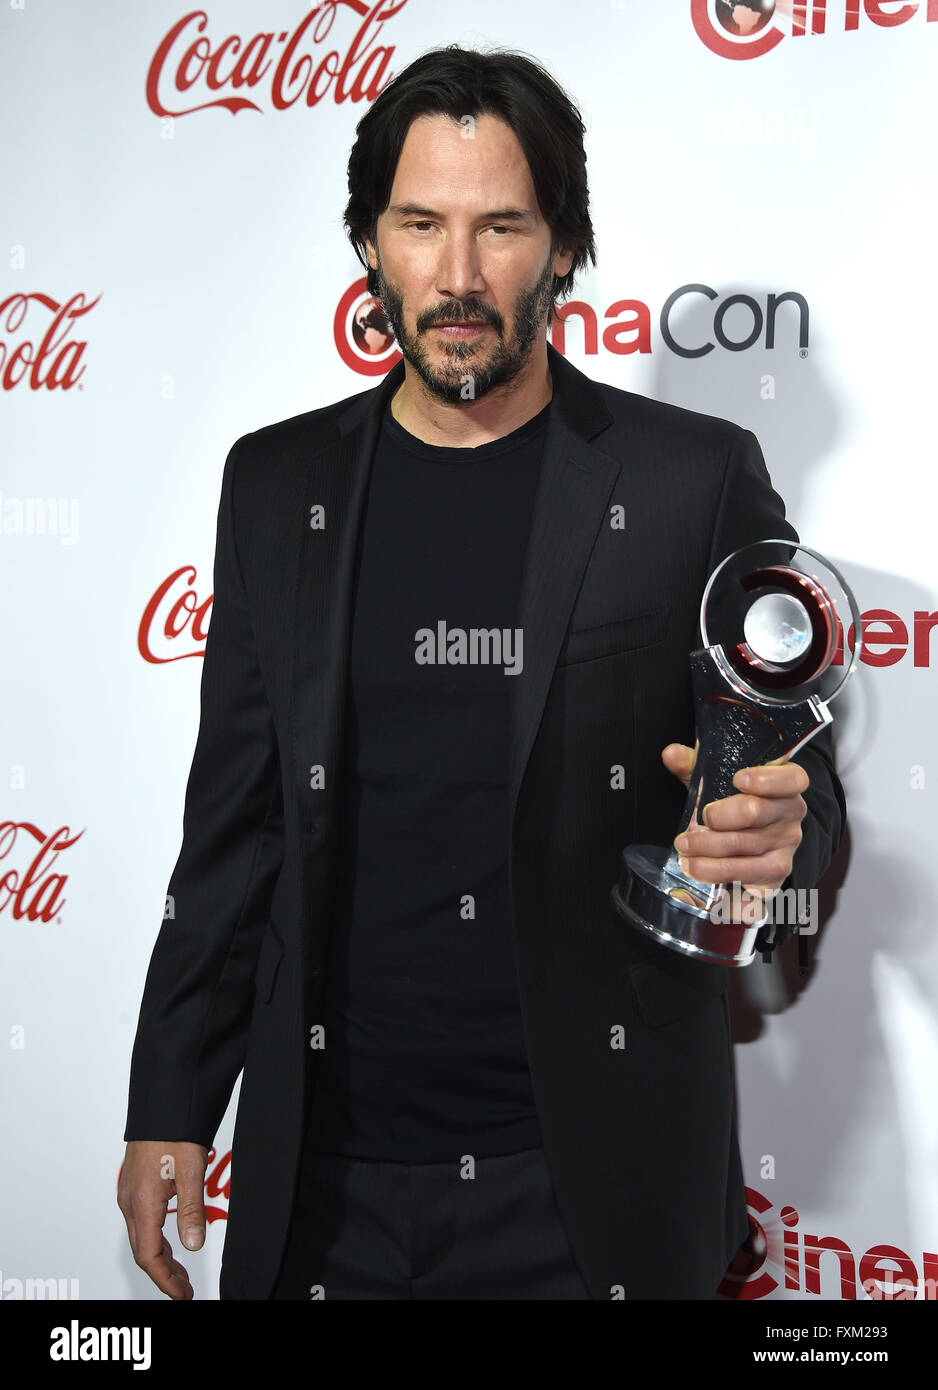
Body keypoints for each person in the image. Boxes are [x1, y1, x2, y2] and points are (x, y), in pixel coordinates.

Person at [118, 44, 846, 1301]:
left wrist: (774, 843)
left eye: (500, 226)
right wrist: (171, 1094)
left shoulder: (688, 480)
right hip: (321, 1184)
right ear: (369, 243)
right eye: (419, 225)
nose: (457, 277)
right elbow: (233, 829)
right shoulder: (275, 484)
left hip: (584, 1187)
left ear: (562, 246)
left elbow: (803, 801)